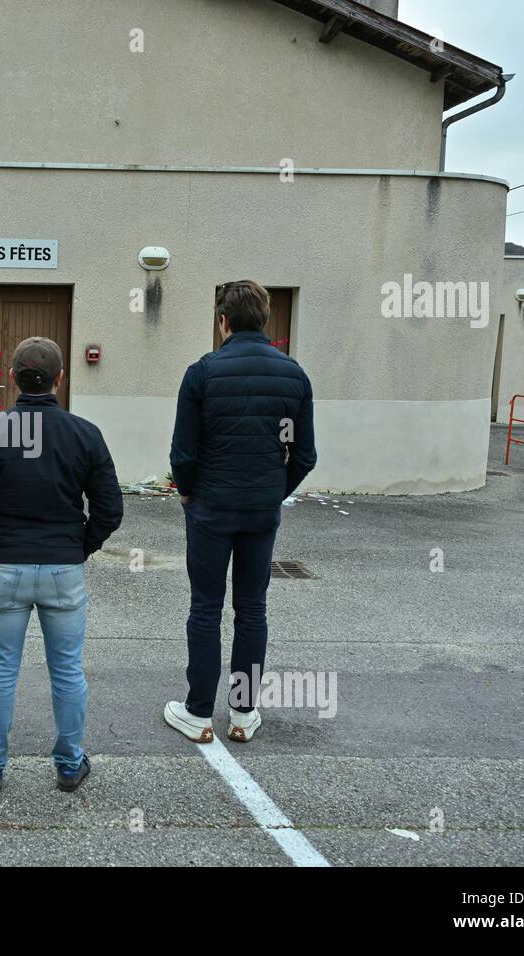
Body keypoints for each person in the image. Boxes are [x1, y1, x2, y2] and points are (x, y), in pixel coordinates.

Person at [0, 337, 123, 794]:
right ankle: (68, 765)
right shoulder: (85, 433)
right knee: (67, 670)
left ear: (12, 378)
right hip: (63, 570)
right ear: (60, 378)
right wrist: (81, 547)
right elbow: (110, 509)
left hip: (4, 566)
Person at [164, 280, 316, 745]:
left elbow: (183, 452)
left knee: (205, 608)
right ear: (265, 320)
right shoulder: (294, 376)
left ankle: (197, 712)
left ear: (223, 320)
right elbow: (303, 454)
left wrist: (188, 493)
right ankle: (244, 711)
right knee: (252, 609)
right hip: (260, 511)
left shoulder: (203, 373)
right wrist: (274, 490)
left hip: (210, 508)